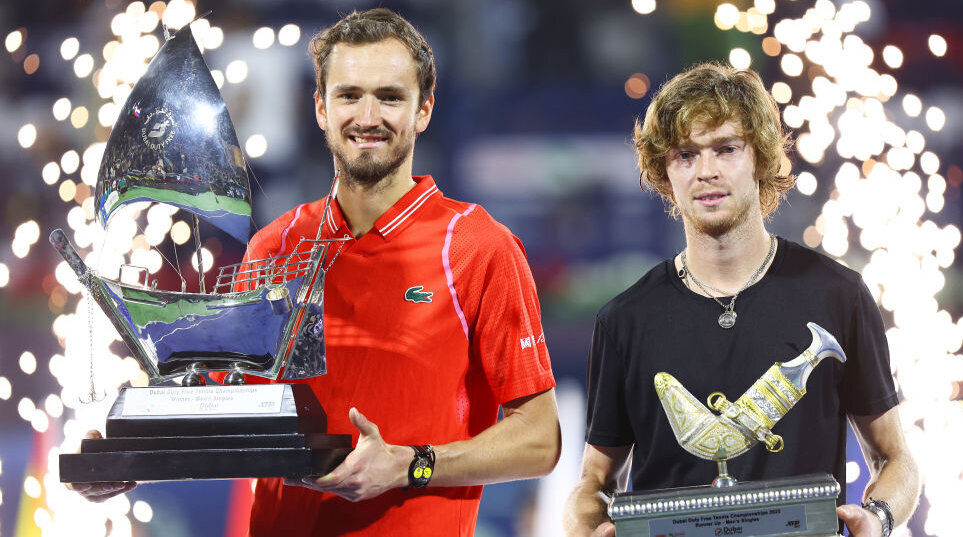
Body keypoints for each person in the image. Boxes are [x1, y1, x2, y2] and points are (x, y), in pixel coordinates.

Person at [74, 9, 561, 536]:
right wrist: (128, 458)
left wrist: (411, 464)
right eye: (349, 95)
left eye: (390, 97)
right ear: (321, 109)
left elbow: (541, 440)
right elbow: (225, 414)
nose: (367, 116)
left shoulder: (477, 247)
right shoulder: (274, 245)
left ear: (423, 110)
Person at [563, 62, 920, 537]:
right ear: (665, 172)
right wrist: (587, 529)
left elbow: (896, 459)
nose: (706, 171)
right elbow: (593, 483)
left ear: (761, 159)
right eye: (685, 155)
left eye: (726, 149)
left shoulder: (839, 295)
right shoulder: (625, 321)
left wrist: (878, 518)